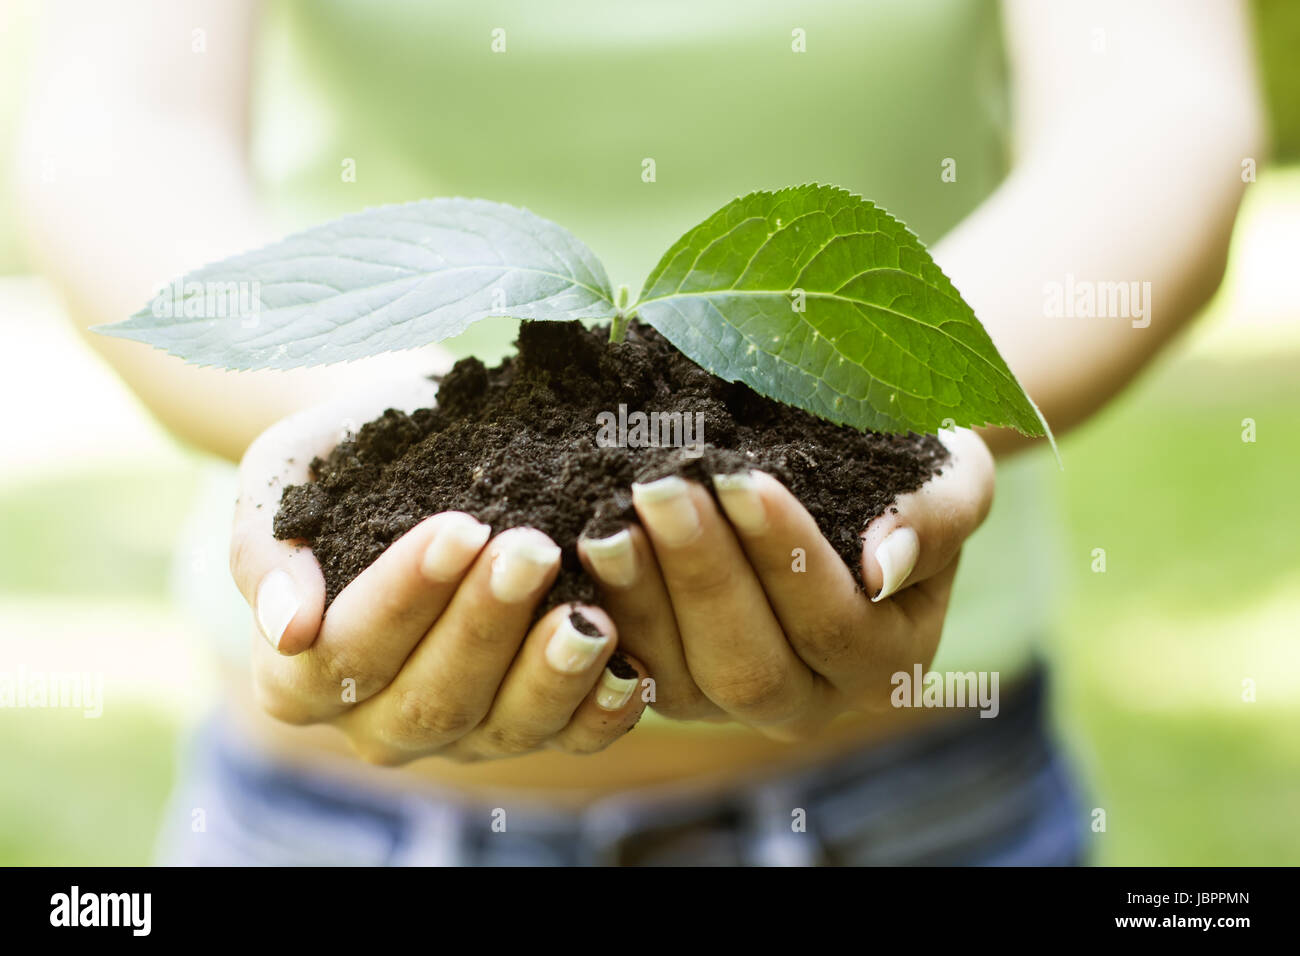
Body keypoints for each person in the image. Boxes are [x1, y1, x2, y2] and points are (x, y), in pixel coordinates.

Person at [14, 0, 1263, 864]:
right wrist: (369, 428)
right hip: (325, 832)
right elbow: (117, 126)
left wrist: (889, 412)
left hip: (926, 815)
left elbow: (1156, 107)